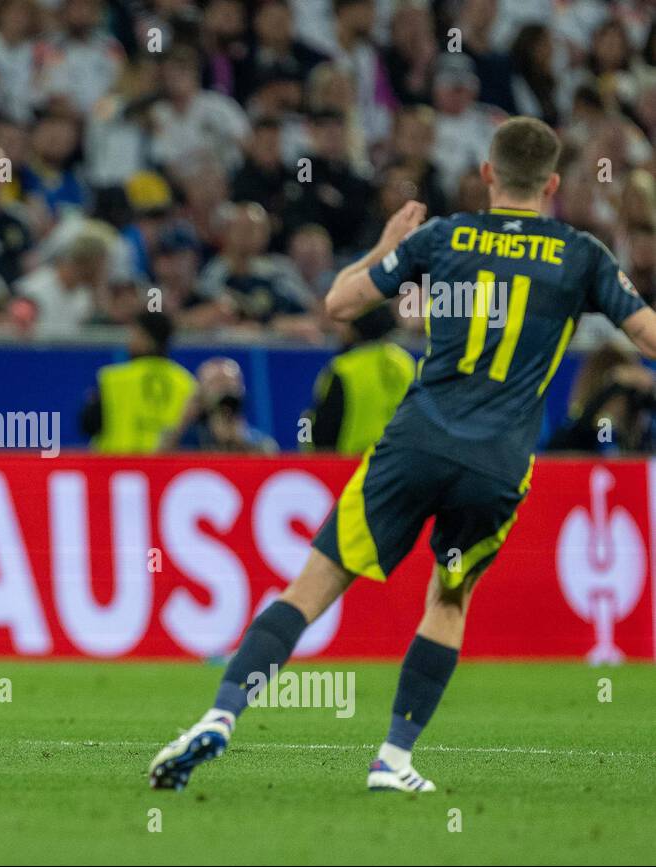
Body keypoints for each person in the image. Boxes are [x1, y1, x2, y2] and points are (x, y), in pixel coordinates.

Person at [149, 116, 656, 793]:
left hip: (414, 442)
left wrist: (384, 244)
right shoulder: (582, 254)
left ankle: (220, 713)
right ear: (554, 185)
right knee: (448, 601)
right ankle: (393, 758)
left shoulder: (442, 236)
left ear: (486, 175)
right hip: (498, 464)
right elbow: (648, 335)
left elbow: (338, 303)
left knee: (309, 587)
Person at [303, 306, 416, 454]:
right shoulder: (406, 362)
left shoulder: (344, 368)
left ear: (356, 326)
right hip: (400, 459)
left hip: (354, 463)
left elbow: (326, 426)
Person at [80, 311, 195, 454]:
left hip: (117, 467)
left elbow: (88, 424)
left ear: (148, 339)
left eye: (134, 335)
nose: (129, 341)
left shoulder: (113, 379)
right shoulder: (186, 382)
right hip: (165, 469)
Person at [160, 357, 278, 454]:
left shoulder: (258, 441)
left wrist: (240, 442)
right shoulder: (186, 440)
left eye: (230, 382)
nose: (224, 389)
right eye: (216, 382)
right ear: (200, 392)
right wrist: (183, 420)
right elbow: (159, 463)